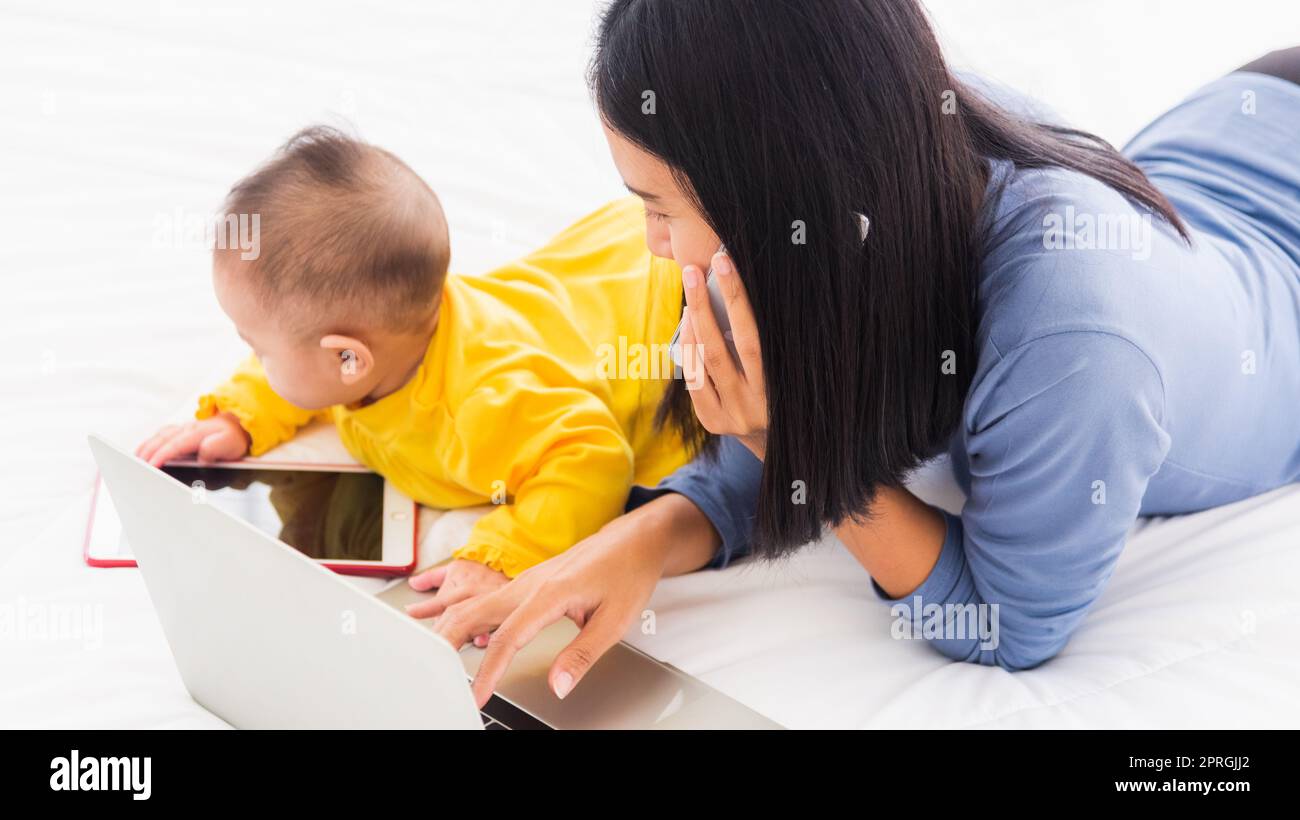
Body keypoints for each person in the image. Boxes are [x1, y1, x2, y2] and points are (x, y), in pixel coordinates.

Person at [428, 0, 1300, 707]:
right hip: (1238, 127)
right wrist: (646, 536)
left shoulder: (1079, 351)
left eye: (658, 207)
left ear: (779, 195)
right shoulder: (883, 145)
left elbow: (1006, 624)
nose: (653, 246)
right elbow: (821, 384)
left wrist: (791, 448)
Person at [137, 126, 690, 609]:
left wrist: (507, 554)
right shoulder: (372, 345)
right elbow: (299, 376)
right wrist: (238, 417)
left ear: (348, 358)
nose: (255, 364)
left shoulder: (480, 407)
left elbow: (593, 458)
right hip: (596, 270)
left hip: (660, 303)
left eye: (258, 349)